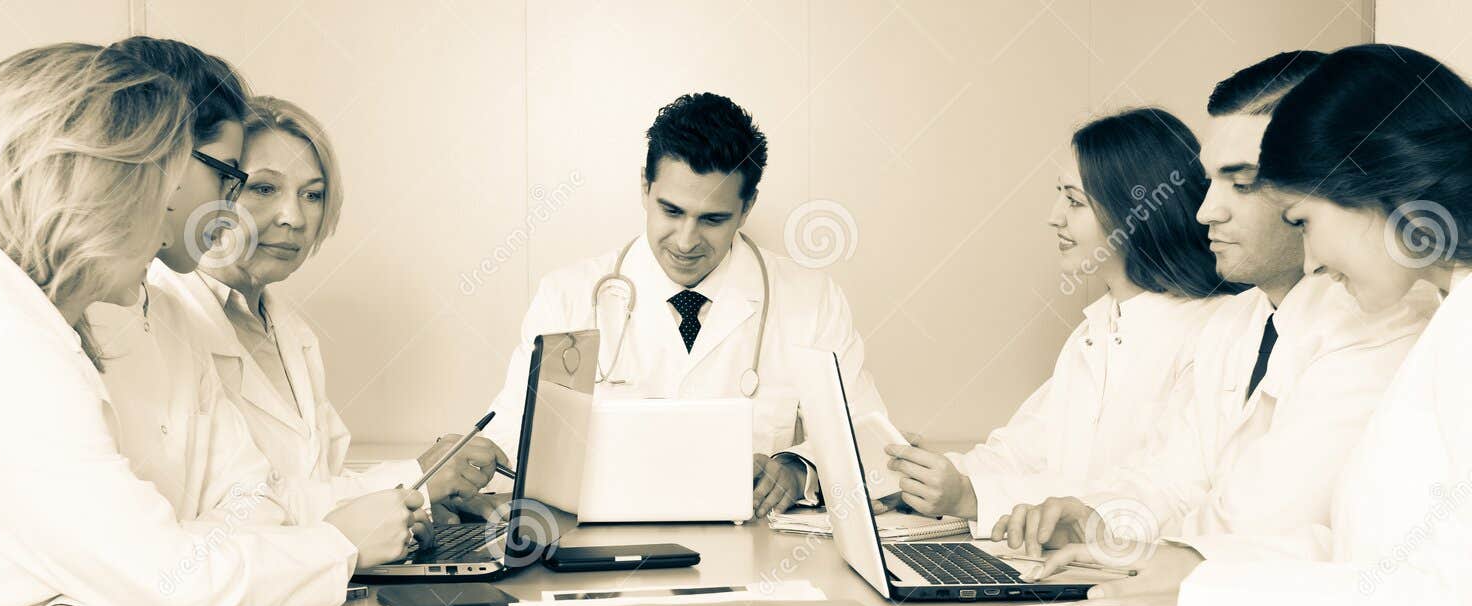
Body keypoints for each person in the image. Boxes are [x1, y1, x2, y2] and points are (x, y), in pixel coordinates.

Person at [0, 43, 417, 606]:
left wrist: (118, 595)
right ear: (98, 178)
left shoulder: (40, 323)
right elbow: (172, 583)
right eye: (161, 179)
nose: (178, 215)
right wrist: (336, 545)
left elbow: (227, 516)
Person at [1040, 44, 1472, 606]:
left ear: (1374, 184)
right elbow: (1361, 551)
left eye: (1303, 217)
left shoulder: (1438, 331)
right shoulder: (1448, 324)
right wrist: (1169, 564)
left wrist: (1197, 601)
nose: (1314, 255)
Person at [482, 92, 888, 518]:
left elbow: (871, 439)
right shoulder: (567, 296)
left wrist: (800, 469)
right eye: (671, 211)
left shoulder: (812, 300)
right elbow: (513, 437)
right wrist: (475, 461)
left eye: (713, 219)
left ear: (747, 208)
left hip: (757, 555)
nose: (686, 240)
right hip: (603, 553)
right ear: (645, 187)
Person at [108, 93, 505, 523]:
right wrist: (417, 480)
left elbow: (318, 491)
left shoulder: (291, 335)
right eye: (263, 188)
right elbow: (244, 510)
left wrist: (429, 506)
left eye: (312, 195)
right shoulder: (151, 318)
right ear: (216, 190)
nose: (293, 217)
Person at [884, 107, 1238, 533]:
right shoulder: (1096, 331)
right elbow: (1019, 452)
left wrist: (971, 497)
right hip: (1066, 566)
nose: (1054, 216)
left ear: (1135, 211)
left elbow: (1170, 492)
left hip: (1123, 574)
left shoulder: (1213, 332)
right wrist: (926, 476)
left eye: (1074, 201)